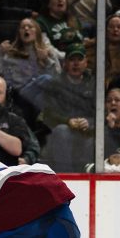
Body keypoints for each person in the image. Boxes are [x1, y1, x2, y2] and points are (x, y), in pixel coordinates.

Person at [37, 43, 98, 172]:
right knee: (62, 131)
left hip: (88, 130)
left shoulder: (94, 84)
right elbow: (48, 114)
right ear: (65, 63)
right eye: (72, 60)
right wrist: (67, 121)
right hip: (62, 131)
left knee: (99, 134)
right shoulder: (55, 84)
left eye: (79, 59)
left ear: (86, 62)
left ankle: (90, 173)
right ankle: (66, 176)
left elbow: (102, 112)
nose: (76, 64)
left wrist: (89, 122)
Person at [0, 17, 61, 94]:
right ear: (19, 33)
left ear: (37, 32)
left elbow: (57, 79)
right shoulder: (11, 53)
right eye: (23, 27)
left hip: (41, 93)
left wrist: (46, 60)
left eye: (30, 27)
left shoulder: (47, 52)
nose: (26, 29)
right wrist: (0, 53)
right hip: (18, 93)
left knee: (46, 80)